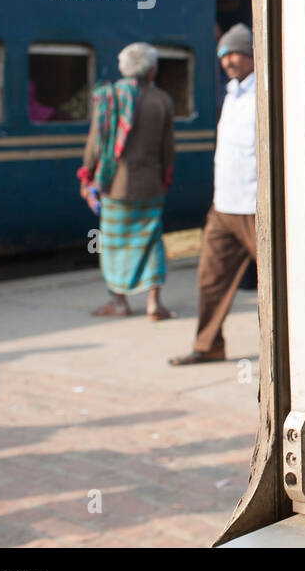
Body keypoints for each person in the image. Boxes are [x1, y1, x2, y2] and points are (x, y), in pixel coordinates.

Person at [170, 23, 258, 365]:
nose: (228, 61)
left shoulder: (262, 93)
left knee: (278, 286)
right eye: (223, 54)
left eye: (235, 53)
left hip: (254, 207)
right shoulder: (233, 94)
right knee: (210, 279)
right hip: (224, 206)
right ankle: (209, 345)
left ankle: (293, 351)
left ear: (252, 53)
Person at [79, 42, 175, 319]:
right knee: (151, 241)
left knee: (113, 245)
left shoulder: (107, 97)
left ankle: (119, 301)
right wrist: (164, 177)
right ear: (151, 70)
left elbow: (95, 144)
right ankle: (154, 302)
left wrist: (87, 176)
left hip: (114, 186)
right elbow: (168, 150)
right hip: (150, 185)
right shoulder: (162, 101)